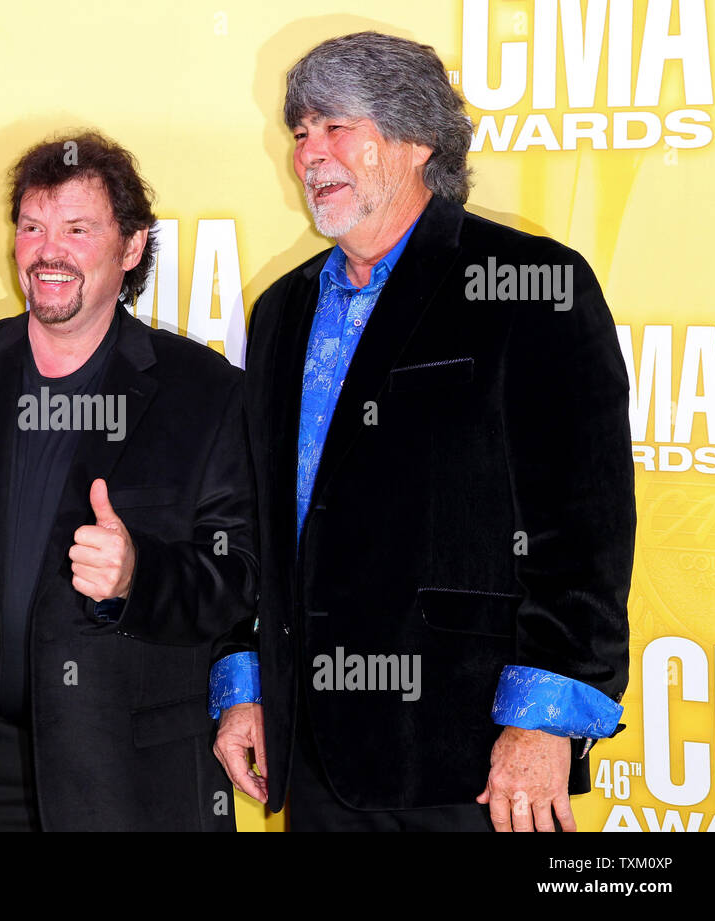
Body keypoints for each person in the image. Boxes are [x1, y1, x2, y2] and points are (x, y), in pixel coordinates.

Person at [211, 32, 634, 832]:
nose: (310, 153)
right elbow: (253, 521)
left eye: (336, 127)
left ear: (416, 140)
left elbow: (585, 525)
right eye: (300, 132)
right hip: (315, 755)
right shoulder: (280, 309)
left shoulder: (530, 284)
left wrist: (543, 718)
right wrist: (246, 682)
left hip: (469, 757)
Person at [0, 131, 257, 831]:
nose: (48, 249)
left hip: (128, 783)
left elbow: (237, 575)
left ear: (130, 248)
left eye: (77, 229)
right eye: (31, 226)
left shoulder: (204, 391)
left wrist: (137, 576)